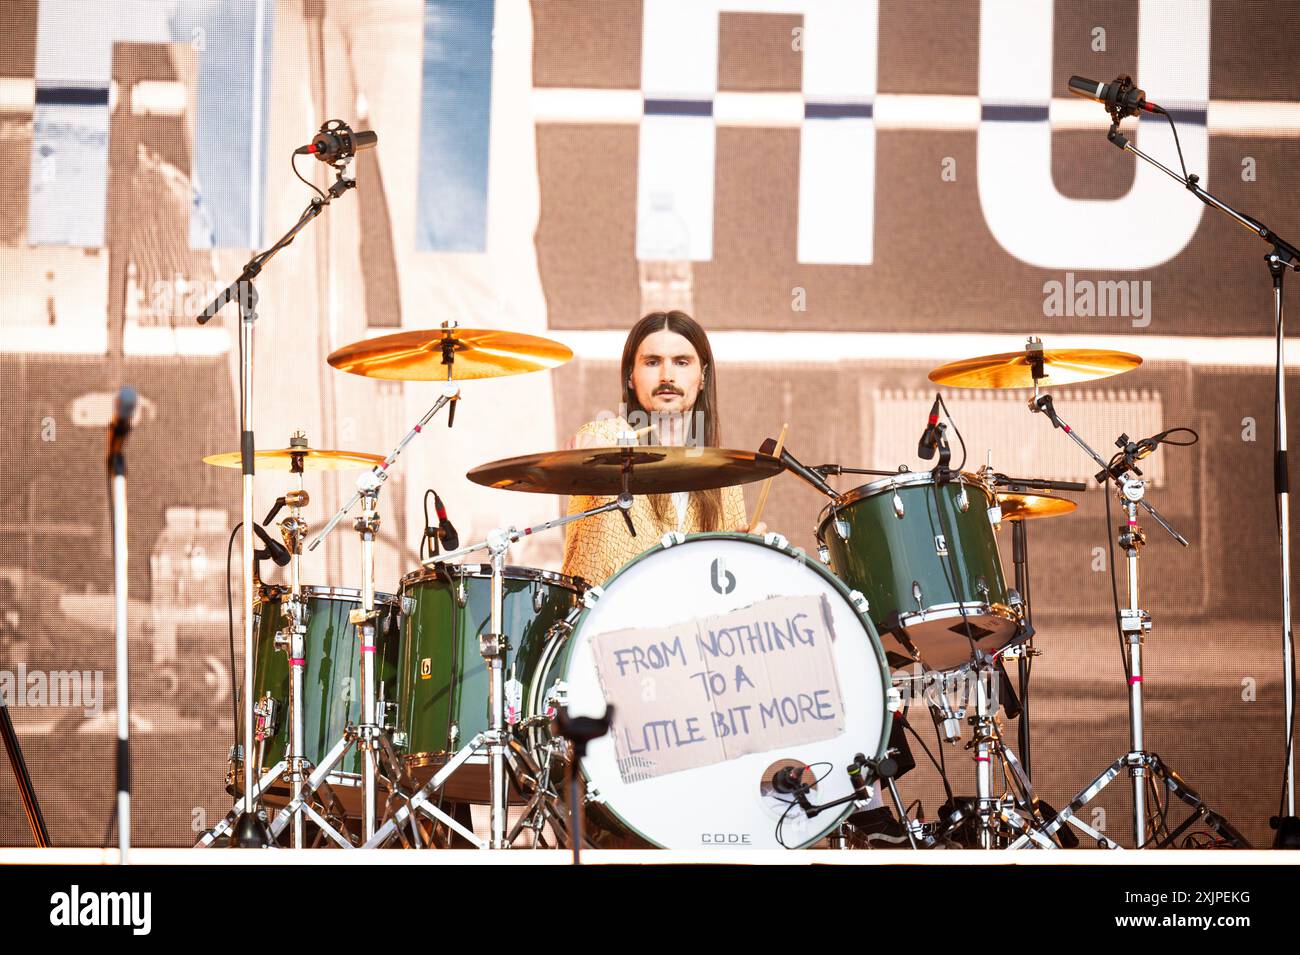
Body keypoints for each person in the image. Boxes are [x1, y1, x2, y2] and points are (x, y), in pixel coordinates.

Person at [560, 311, 766, 586]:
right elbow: (586, 449)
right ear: (630, 377)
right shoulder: (605, 436)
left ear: (702, 376)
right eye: (652, 362)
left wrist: (747, 555)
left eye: (682, 362)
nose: (667, 375)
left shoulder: (723, 475)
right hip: (602, 622)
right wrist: (584, 456)